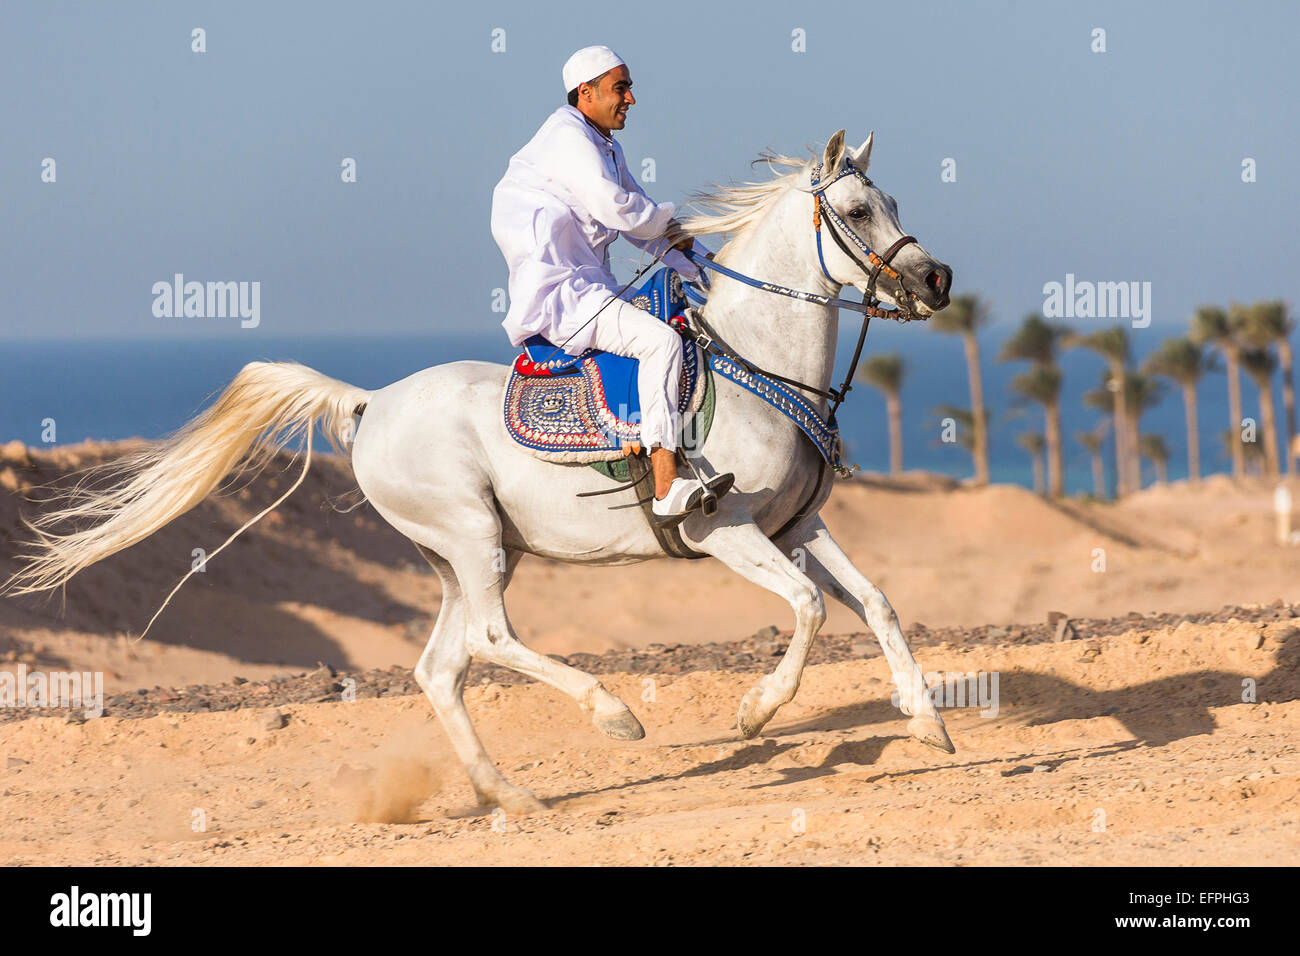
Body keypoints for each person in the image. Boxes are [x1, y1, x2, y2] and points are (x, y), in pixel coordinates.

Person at [491, 45, 730, 522]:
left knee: (682, 319)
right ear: (586, 92)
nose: (631, 99)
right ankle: (665, 484)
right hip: (563, 295)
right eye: (621, 88)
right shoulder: (567, 138)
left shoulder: (603, 143)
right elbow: (619, 210)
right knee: (661, 343)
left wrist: (709, 270)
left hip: (593, 286)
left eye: (629, 88)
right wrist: (664, 223)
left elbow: (644, 225)